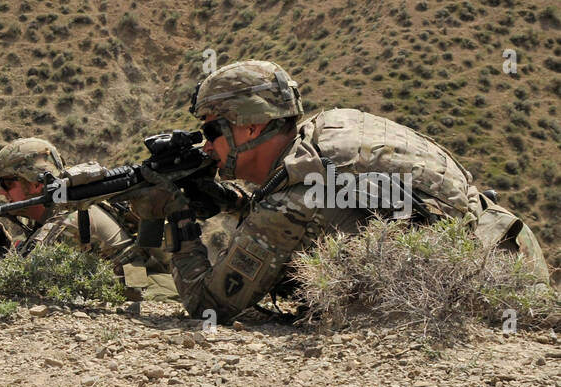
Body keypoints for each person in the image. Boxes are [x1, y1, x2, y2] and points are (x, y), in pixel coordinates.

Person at [171, 59, 551, 323]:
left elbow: (209, 305)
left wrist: (178, 222)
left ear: (250, 126)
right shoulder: (327, 131)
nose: (207, 147)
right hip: (510, 242)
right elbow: (330, 207)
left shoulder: (292, 201)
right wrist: (232, 203)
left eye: (212, 132)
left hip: (493, 293)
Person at [0, 137, 177, 300]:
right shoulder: (56, 208)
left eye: (7, 183)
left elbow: (15, 280)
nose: (1, 191)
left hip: (149, 297)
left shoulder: (69, 219)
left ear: (35, 184)